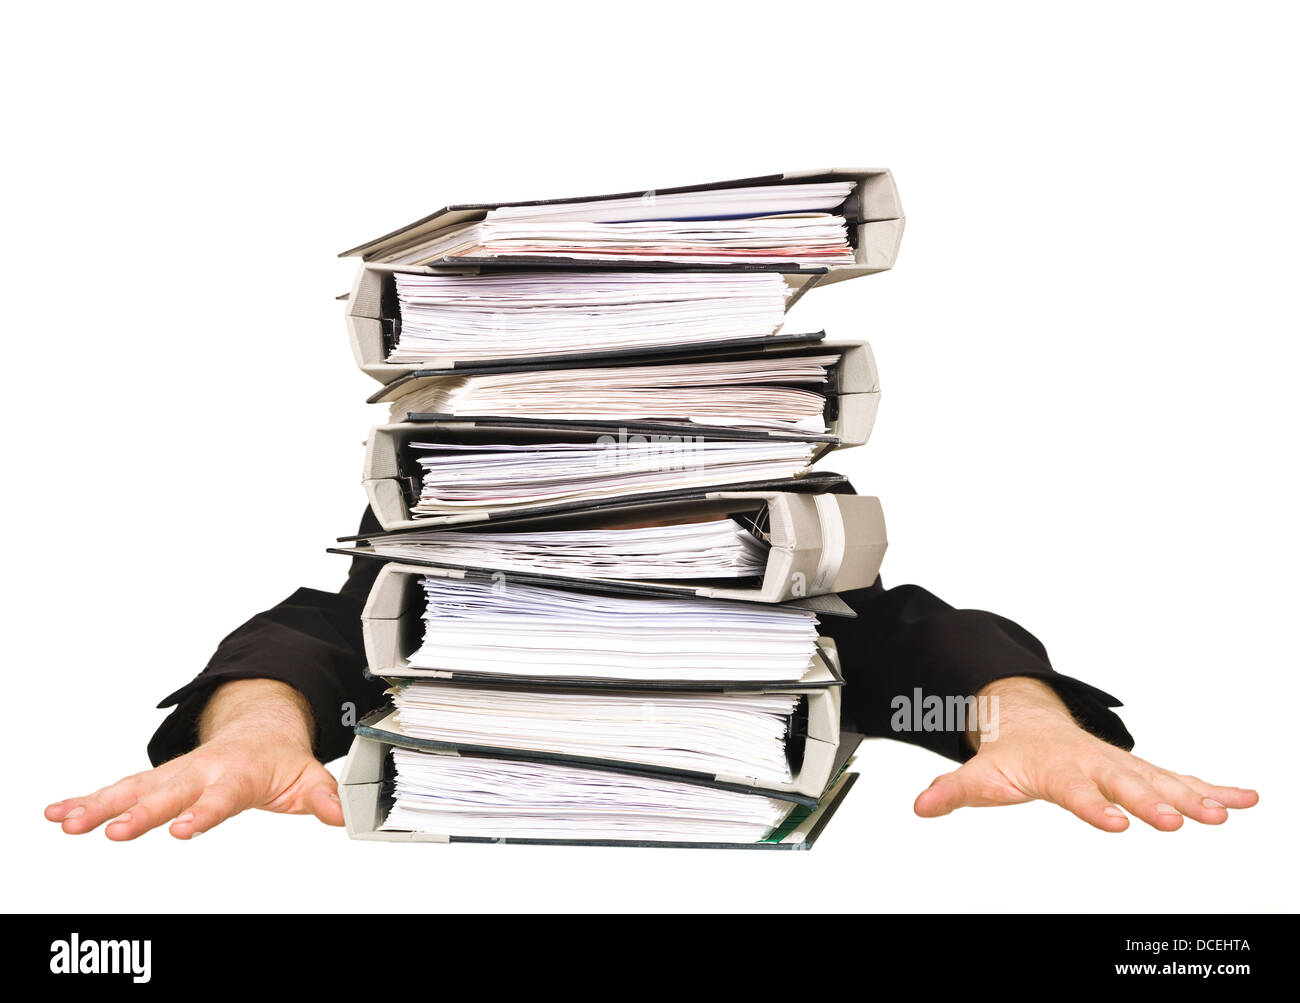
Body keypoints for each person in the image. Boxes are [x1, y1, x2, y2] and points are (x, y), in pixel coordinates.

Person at [45, 506, 1258, 841]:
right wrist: (261, 727)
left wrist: (1018, 721)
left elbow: (910, 656)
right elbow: (315, 642)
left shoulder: (790, 589)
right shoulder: (436, 586)